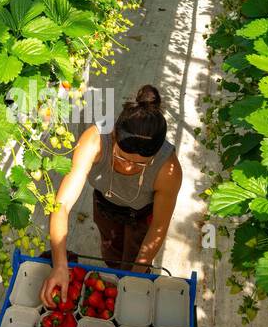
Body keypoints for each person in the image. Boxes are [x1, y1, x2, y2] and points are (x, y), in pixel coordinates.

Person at [39, 85, 182, 305]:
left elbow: (158, 228)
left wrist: (135, 278)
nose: (128, 168)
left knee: (135, 263)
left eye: (141, 164)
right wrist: (59, 264)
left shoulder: (168, 169)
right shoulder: (95, 141)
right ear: (114, 136)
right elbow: (62, 205)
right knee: (112, 255)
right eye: (123, 158)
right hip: (106, 207)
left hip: (143, 216)